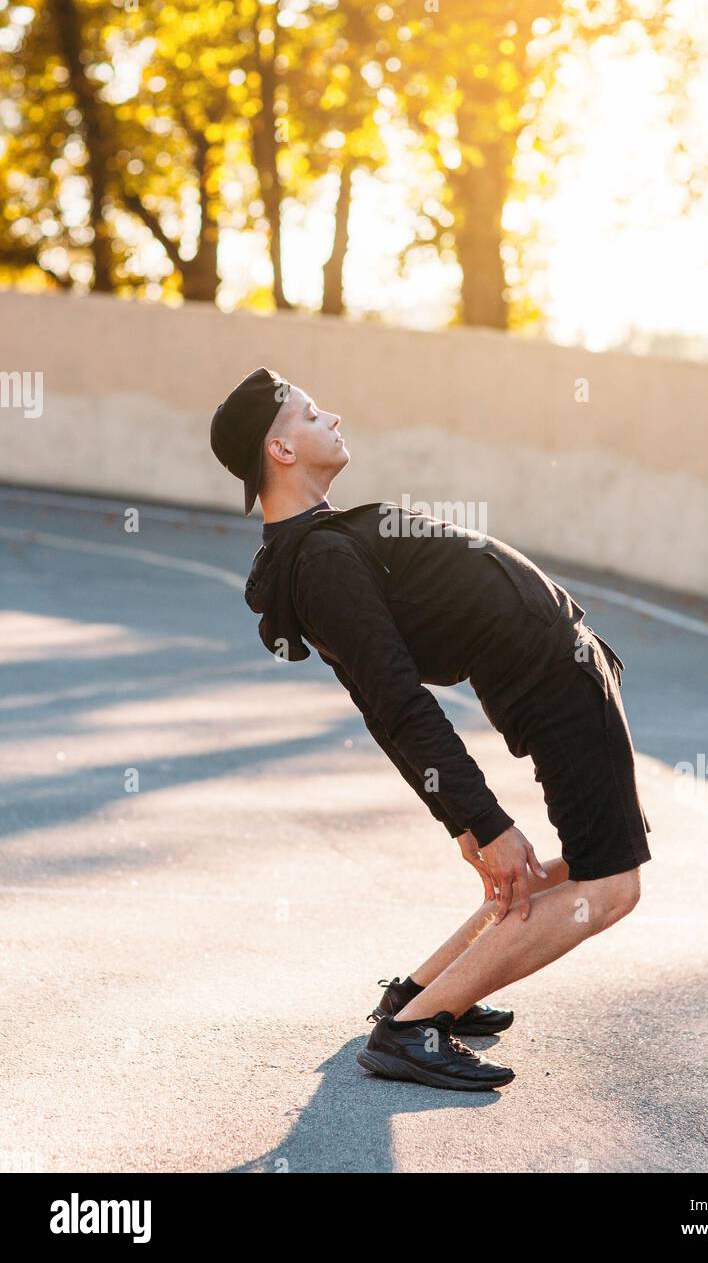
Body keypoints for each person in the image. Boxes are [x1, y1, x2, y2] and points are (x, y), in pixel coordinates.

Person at [210, 367, 652, 1092]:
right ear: (280, 452)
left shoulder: (322, 545)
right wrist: (485, 820)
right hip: (550, 681)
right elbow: (394, 704)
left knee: (592, 858)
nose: (335, 417)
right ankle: (414, 1027)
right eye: (313, 413)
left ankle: (424, 994)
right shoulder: (320, 558)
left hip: (554, 675)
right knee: (611, 888)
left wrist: (465, 824)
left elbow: (381, 702)